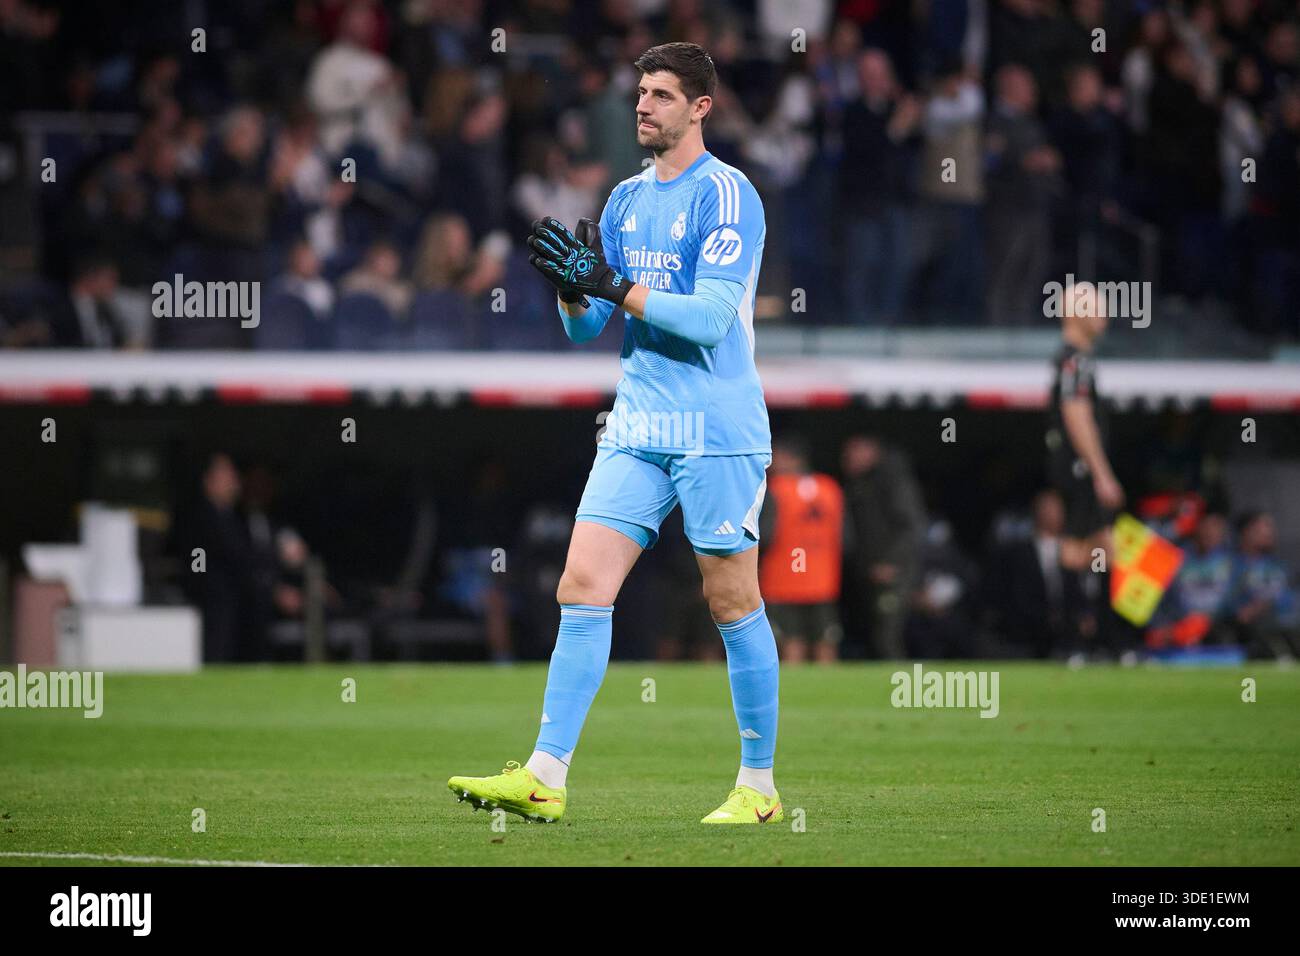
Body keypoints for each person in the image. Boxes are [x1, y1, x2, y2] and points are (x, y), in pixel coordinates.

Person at [448, 42, 781, 826]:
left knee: (731, 601)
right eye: (640, 93)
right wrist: (574, 289)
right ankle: (544, 775)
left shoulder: (729, 196)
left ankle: (759, 788)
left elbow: (704, 321)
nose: (643, 106)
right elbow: (588, 325)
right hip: (638, 424)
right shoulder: (626, 200)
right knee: (582, 586)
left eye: (662, 95)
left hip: (715, 428)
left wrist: (611, 283)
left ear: (701, 107)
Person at [1046, 280, 1122, 570]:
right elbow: (1077, 416)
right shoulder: (1075, 362)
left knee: (1104, 545)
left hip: (1080, 467)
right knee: (1080, 547)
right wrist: (1101, 473)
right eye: (1098, 308)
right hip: (1080, 468)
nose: (1105, 316)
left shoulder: (1077, 360)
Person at [758, 436, 844, 663]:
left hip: (782, 580)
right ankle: (828, 693)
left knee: (790, 643)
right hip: (822, 580)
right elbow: (845, 538)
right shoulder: (830, 488)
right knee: (826, 642)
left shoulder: (773, 489)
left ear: (791, 459)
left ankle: (793, 695)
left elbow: (765, 535)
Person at [841, 435, 927, 658]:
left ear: (873, 452)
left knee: (887, 631)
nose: (847, 458)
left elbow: (912, 527)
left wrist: (891, 562)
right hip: (868, 569)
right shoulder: (860, 485)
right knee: (873, 629)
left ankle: (899, 685)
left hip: (892, 571)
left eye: (854, 452)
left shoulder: (894, 481)